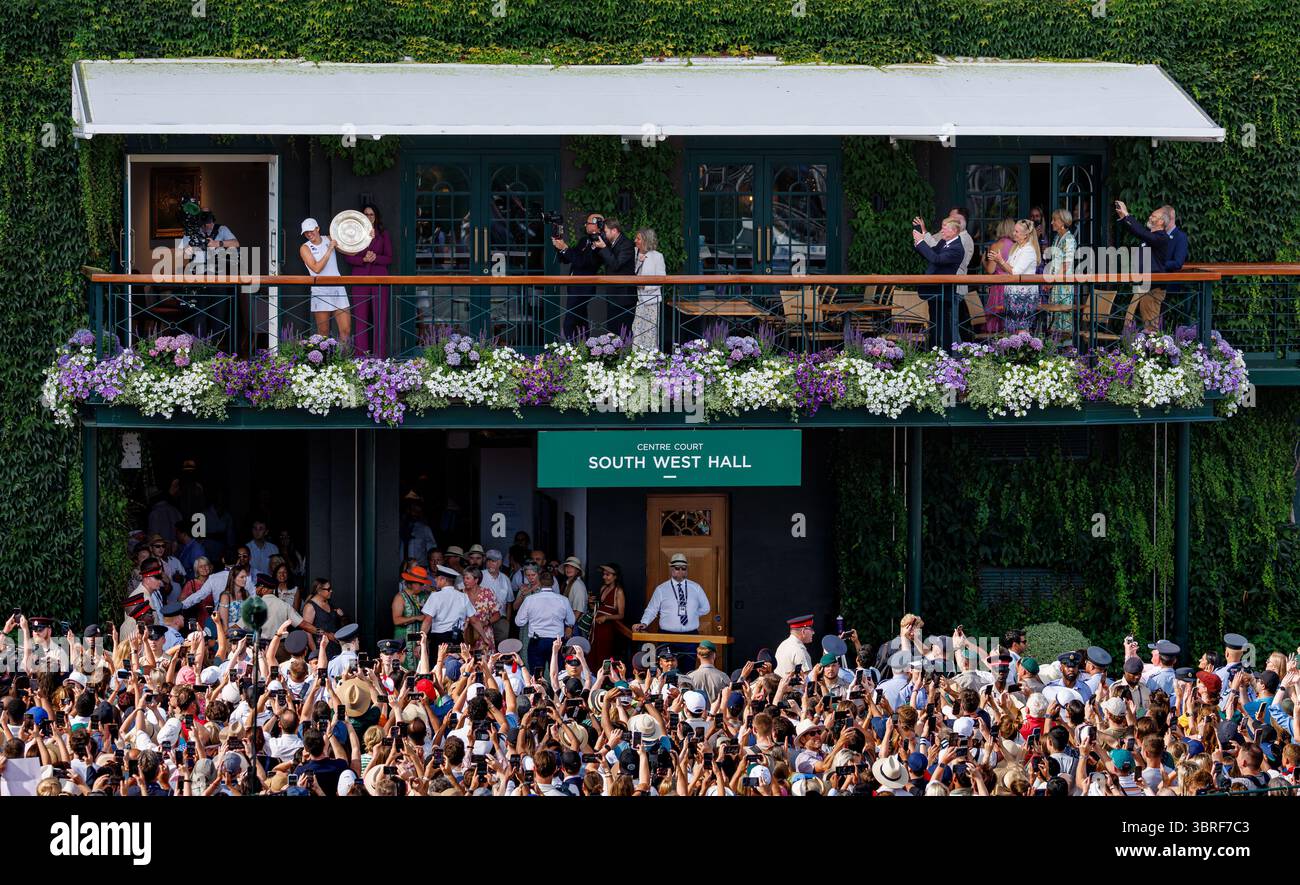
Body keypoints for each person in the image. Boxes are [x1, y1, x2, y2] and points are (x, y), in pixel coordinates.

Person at [632, 553, 710, 658]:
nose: (681, 571)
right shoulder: (661, 589)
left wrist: (692, 614)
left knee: (688, 670)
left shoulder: (696, 588)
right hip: (666, 636)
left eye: (684, 568)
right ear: (671, 569)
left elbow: (706, 608)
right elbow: (652, 609)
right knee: (667, 670)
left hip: (690, 637)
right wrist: (644, 623)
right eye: (677, 568)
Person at [342, 203, 393, 357]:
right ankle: (361, 357)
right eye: (366, 214)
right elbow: (348, 257)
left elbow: (389, 258)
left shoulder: (383, 234)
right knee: (360, 319)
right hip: (359, 279)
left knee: (380, 319)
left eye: (371, 214)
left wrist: (376, 257)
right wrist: (363, 259)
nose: (369, 217)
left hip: (379, 280)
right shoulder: (354, 234)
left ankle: (380, 357)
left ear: (376, 216)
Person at [1114, 201, 1171, 332]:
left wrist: (1127, 216)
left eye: (1154, 216)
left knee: (1151, 326)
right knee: (1145, 323)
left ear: (1161, 222)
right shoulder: (1150, 237)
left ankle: (1156, 351)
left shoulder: (1162, 238)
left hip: (1154, 287)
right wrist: (1124, 218)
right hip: (1144, 285)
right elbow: (1139, 232)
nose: (1150, 217)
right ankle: (1148, 349)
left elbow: (1141, 232)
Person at [912, 217, 965, 348]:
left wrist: (921, 242)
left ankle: (945, 354)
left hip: (943, 291)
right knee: (935, 323)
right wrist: (919, 244)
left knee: (943, 326)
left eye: (944, 228)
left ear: (954, 231)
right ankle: (935, 352)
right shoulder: (944, 241)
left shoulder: (957, 248)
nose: (941, 231)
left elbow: (936, 259)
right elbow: (932, 253)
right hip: (935, 290)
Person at [553, 213, 606, 337]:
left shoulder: (600, 242)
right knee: (581, 322)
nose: (585, 225)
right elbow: (570, 258)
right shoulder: (584, 240)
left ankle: (570, 352)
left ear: (597, 225)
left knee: (569, 322)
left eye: (588, 223)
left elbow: (582, 262)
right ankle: (584, 349)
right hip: (575, 287)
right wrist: (560, 248)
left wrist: (565, 249)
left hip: (583, 288)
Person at [299, 217, 352, 342]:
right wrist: (329, 249)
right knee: (323, 333)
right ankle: (325, 361)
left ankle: (343, 361)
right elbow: (316, 268)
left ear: (317, 228)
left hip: (338, 288)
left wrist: (368, 238)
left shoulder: (329, 238)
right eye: (306, 232)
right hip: (320, 291)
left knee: (345, 330)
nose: (309, 234)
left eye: (311, 230)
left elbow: (351, 251)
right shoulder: (304, 248)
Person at [987, 219, 1042, 332]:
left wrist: (1001, 261)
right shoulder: (1017, 248)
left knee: (1022, 330)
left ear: (1025, 235)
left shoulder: (1028, 250)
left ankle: (1024, 349)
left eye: (1017, 232)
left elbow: (1015, 272)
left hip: (1023, 296)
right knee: (1014, 329)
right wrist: (998, 261)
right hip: (1013, 294)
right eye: (1014, 231)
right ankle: (1016, 348)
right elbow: (1009, 269)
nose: (1013, 234)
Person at [514, 579, 575, 672]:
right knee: (557, 672)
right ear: (553, 584)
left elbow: (519, 622)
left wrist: (532, 618)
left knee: (536, 673)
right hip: (556, 640)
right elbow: (571, 620)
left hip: (537, 640)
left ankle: (538, 685)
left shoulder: (530, 599)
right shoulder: (563, 600)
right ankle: (557, 686)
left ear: (540, 583)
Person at [590, 217, 637, 333]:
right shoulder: (611, 243)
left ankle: (623, 351)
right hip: (613, 295)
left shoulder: (626, 244)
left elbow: (616, 265)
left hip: (624, 297)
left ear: (614, 231)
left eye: (605, 232)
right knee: (612, 331)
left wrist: (604, 248)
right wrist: (597, 246)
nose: (604, 235)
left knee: (623, 332)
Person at [420, 564, 477, 647]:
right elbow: (474, 620)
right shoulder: (463, 596)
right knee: (456, 660)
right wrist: (485, 637)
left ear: (444, 579)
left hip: (439, 639)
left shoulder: (435, 596)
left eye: (437, 578)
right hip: (457, 638)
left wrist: (420, 642)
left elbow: (427, 621)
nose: (435, 580)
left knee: (438, 660)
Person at [392, 563, 432, 670]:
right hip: (405, 640)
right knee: (405, 669)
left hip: (420, 641)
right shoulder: (400, 597)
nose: (422, 586)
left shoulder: (425, 595)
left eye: (423, 584)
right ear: (411, 583)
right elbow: (396, 620)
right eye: (420, 584)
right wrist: (415, 618)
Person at [1044, 208, 1077, 335]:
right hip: (1056, 282)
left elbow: (1066, 265)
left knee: (1063, 315)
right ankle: (1053, 347)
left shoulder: (1069, 239)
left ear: (1063, 222)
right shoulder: (1057, 238)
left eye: (1055, 220)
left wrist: (1053, 281)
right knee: (1054, 315)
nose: (1052, 222)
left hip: (1063, 283)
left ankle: (1066, 349)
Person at [632, 228, 665, 352]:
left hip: (652, 300)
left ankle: (649, 359)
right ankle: (636, 359)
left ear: (646, 240)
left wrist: (644, 286)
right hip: (637, 300)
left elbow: (661, 279)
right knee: (637, 330)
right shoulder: (633, 253)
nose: (635, 241)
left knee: (650, 331)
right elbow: (629, 273)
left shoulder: (657, 257)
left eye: (638, 239)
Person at [981, 218, 1016, 333]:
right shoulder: (1016, 246)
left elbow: (990, 270)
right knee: (1011, 315)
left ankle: (996, 344)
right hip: (1012, 284)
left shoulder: (996, 246)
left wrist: (983, 261)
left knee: (996, 316)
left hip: (998, 286)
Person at [589, 562, 626, 666]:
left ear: (615, 577)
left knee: (604, 655)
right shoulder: (603, 588)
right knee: (593, 653)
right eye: (604, 574)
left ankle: (605, 679)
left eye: (607, 574)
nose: (604, 577)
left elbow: (621, 615)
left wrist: (606, 617)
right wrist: (592, 604)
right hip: (596, 627)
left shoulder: (618, 591)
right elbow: (599, 608)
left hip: (607, 629)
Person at [300, 577, 345, 655]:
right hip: (321, 648)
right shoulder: (310, 607)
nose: (331, 591)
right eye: (328, 589)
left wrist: (341, 616)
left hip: (335, 647)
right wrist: (316, 653)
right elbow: (307, 632)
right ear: (319, 591)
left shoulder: (329, 603)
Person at [462, 566, 500, 656]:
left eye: (467, 578)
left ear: (476, 580)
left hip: (484, 634)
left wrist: (486, 622)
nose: (464, 581)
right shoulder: (461, 593)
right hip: (466, 634)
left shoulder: (487, 593)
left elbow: (497, 614)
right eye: (464, 578)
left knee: (485, 663)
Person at [479, 550, 514, 647]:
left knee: (501, 646)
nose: (490, 564)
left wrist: (507, 620)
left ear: (500, 562)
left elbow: (509, 602)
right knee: (484, 646)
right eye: (488, 561)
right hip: (483, 618)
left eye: (493, 561)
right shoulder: (480, 576)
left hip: (501, 619)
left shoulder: (505, 579)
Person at [246, 521, 278, 585]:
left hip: (270, 585)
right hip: (251, 585)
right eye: (255, 528)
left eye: (260, 529)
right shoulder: (246, 549)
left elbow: (278, 570)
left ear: (266, 532)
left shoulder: (273, 548)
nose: (257, 531)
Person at [561, 556, 589, 627]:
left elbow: (579, 610)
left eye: (572, 567)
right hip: (571, 621)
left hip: (575, 623)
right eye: (567, 566)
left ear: (577, 570)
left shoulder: (578, 585)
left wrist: (570, 626)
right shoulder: (568, 583)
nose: (568, 569)